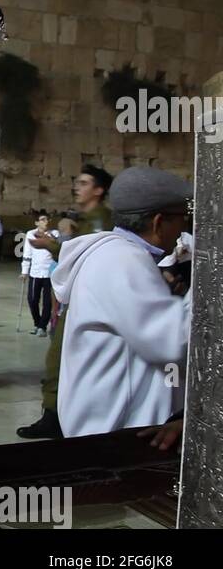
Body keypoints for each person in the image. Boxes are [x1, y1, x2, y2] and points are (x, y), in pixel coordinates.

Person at [51, 166, 192, 438]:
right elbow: (173, 342)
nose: (183, 228)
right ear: (159, 222)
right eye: (182, 219)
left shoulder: (114, 253)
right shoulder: (123, 260)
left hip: (110, 423)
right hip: (119, 429)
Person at [17, 164, 113, 439]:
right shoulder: (89, 219)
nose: (77, 187)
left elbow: (88, 260)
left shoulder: (99, 220)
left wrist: (52, 246)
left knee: (59, 359)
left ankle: (55, 418)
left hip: (88, 302)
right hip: (81, 299)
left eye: (84, 183)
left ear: (98, 189)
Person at [20, 213, 57, 337]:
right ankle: (37, 323)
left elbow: (56, 248)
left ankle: (42, 327)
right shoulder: (31, 234)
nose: (46, 221)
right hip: (35, 272)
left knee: (47, 302)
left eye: (47, 219)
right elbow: (27, 253)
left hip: (50, 272)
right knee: (32, 299)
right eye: (42, 219)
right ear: (36, 223)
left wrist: (48, 236)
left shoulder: (54, 234)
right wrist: (24, 271)